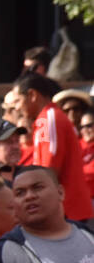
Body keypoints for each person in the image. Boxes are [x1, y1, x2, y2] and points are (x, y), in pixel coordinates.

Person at [13, 72, 94, 223]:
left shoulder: (49, 118)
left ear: (32, 95)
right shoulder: (47, 118)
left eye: (18, 100)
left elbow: (48, 170)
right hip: (66, 209)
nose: (16, 107)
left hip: (68, 211)